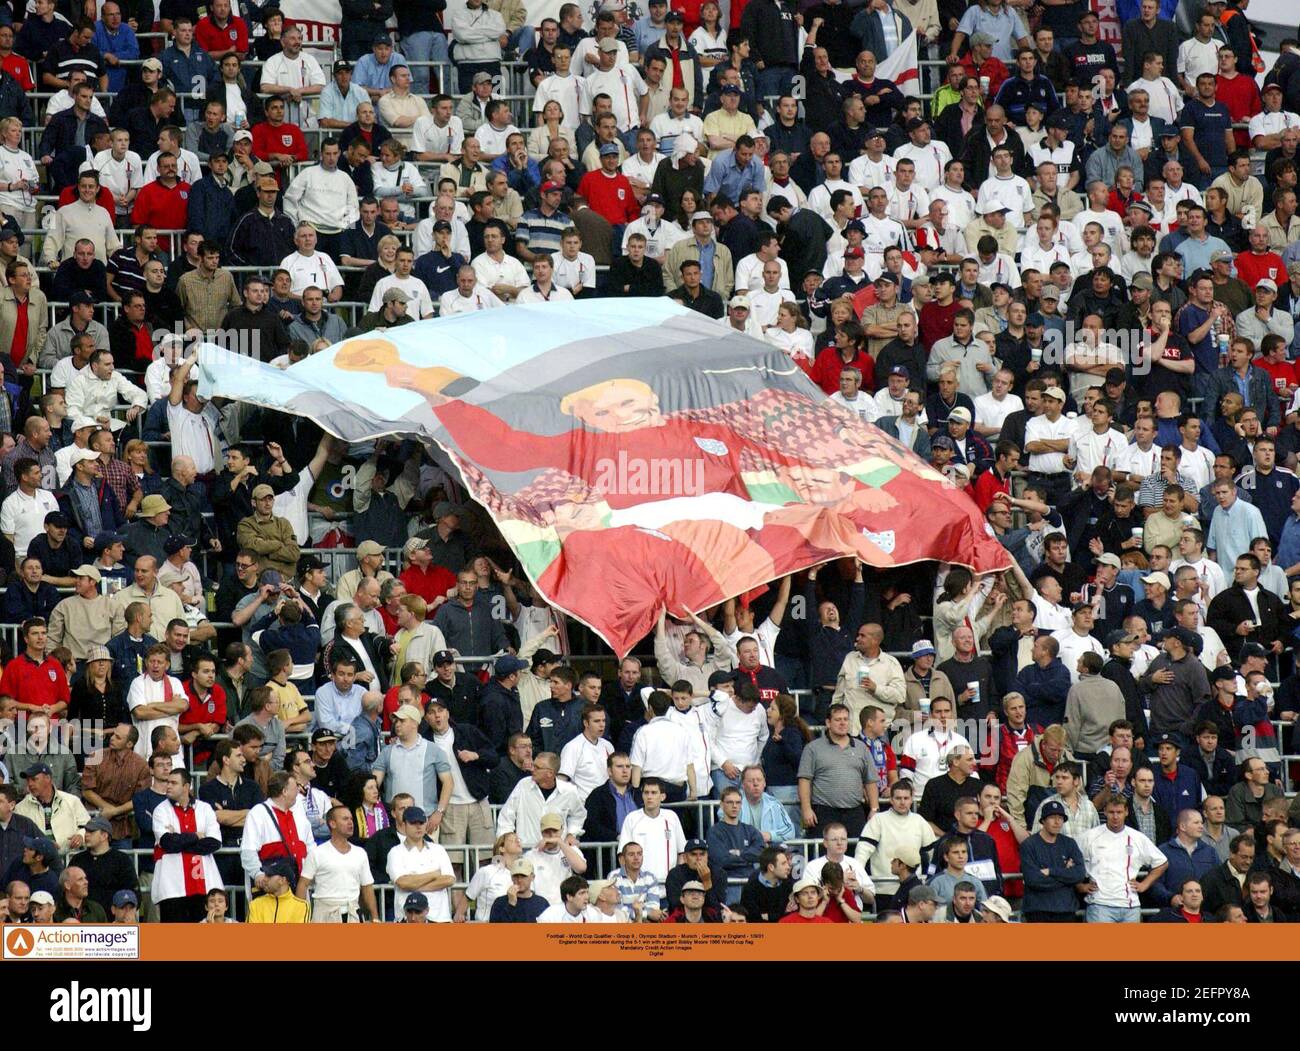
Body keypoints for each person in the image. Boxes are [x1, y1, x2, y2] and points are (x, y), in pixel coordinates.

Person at [1079, 796, 1169, 922]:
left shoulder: (1137, 837)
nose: (1115, 816)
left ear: (1126, 812)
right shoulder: (1089, 837)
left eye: (1119, 812)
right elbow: (1071, 860)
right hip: (1100, 904)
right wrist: (1079, 886)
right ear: (1104, 812)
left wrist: (1144, 884)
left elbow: (1162, 862)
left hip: (1130, 906)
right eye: (1111, 812)